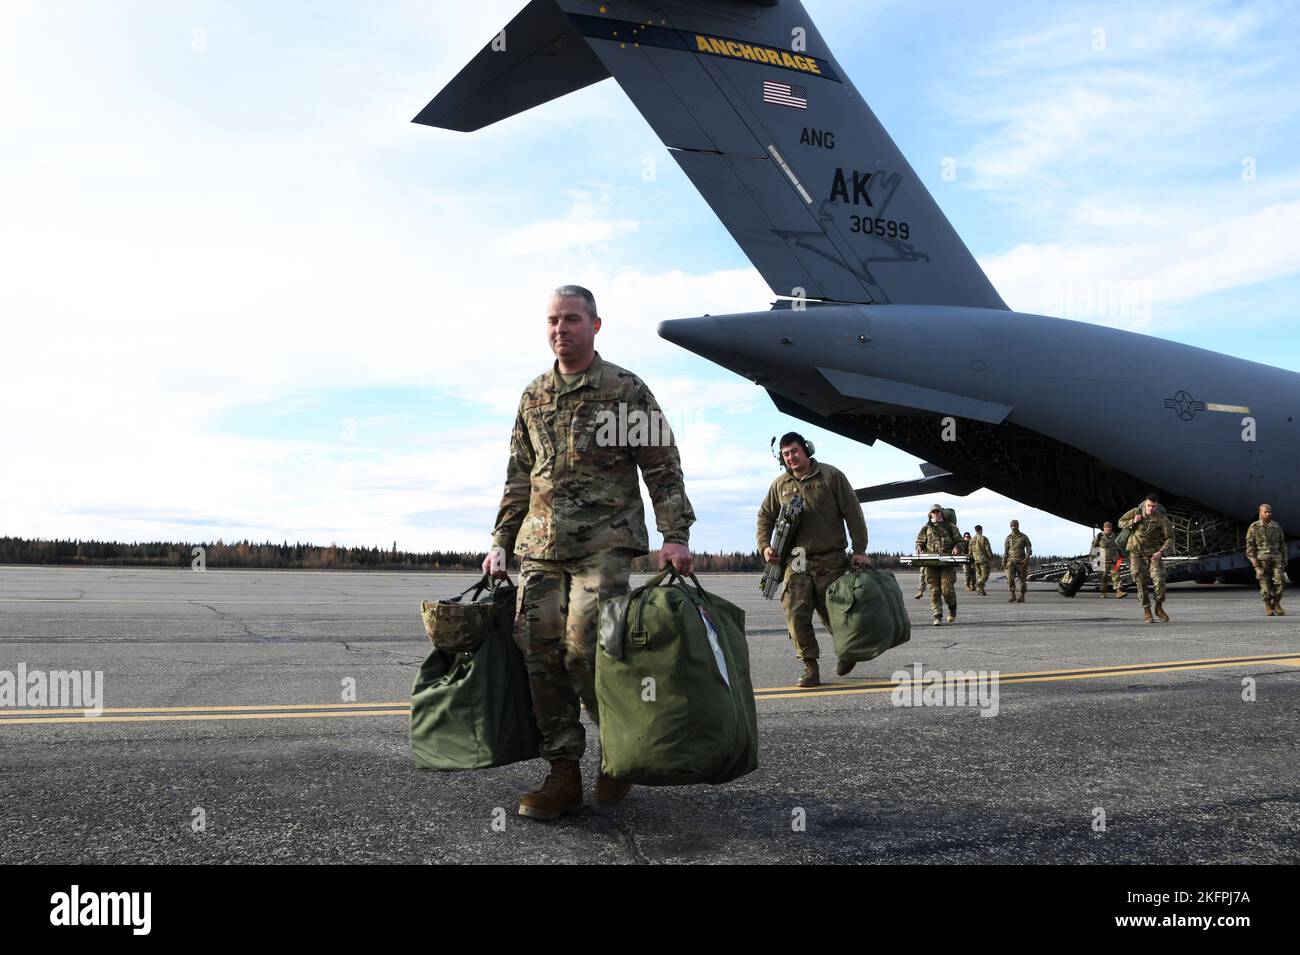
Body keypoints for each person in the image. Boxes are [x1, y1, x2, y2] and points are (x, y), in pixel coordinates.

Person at [484, 285, 695, 821]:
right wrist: (500, 542)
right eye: (553, 320)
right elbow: (517, 476)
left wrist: (676, 535)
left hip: (603, 542)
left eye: (572, 319)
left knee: (585, 651)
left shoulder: (625, 390)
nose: (561, 329)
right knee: (539, 654)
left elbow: (662, 467)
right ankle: (562, 775)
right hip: (540, 547)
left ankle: (620, 750)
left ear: (595, 325)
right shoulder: (534, 395)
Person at [757, 433, 870, 686]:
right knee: (796, 616)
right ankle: (810, 667)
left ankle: (846, 651)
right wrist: (765, 546)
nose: (791, 457)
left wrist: (859, 549)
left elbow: (853, 513)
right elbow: (764, 517)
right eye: (786, 454)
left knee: (835, 615)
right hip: (795, 561)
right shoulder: (779, 485)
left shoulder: (831, 476)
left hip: (830, 558)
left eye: (795, 451)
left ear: (806, 450)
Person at [1118, 493, 1174, 623]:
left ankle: (1159, 607)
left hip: (1153, 554)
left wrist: (1161, 552)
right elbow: (1120, 522)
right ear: (1145, 503)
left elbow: (1170, 537)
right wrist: (1133, 521)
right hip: (1136, 553)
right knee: (1140, 581)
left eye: (1153, 506)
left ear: (1157, 505)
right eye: (1148, 505)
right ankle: (1147, 610)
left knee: (1159, 581)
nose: (1150, 508)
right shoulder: (1136, 512)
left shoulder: (1162, 519)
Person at [914, 504, 963, 626]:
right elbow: (919, 541)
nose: (935, 514)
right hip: (931, 563)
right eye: (933, 512)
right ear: (930, 514)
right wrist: (919, 547)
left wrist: (957, 547)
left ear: (941, 513)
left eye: (937, 512)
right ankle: (937, 616)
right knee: (934, 590)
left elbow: (960, 541)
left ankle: (952, 607)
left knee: (947, 589)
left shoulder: (950, 526)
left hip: (947, 562)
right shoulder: (926, 528)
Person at [1246, 503, 1286, 617]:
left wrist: (1284, 558)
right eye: (1266, 512)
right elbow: (1250, 546)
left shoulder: (1276, 526)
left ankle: (1277, 603)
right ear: (1260, 513)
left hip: (1276, 558)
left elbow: (1282, 544)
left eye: (1270, 512)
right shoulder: (1254, 527)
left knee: (1281, 581)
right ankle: (1268, 604)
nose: (1268, 514)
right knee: (1265, 583)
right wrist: (1254, 561)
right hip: (1262, 559)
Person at [1092, 521, 1126, 598]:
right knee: (1103, 577)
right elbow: (1094, 548)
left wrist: (1121, 558)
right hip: (1102, 560)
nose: (1108, 529)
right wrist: (1094, 560)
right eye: (1106, 527)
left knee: (1116, 575)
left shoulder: (1116, 536)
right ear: (1104, 528)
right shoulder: (1100, 536)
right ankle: (1103, 592)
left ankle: (1119, 592)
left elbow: (1120, 548)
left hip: (1115, 561)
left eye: (1109, 527)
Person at [1003, 519, 1032, 603]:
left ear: (1018, 525)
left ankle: (1022, 596)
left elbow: (1029, 548)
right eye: (1012, 525)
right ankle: (1013, 595)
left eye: (1015, 525)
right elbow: (1005, 550)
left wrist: (1027, 558)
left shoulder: (1024, 537)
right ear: (1010, 526)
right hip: (1010, 562)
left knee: (1022, 580)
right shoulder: (1008, 538)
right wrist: (1004, 560)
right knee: (1009, 578)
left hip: (1021, 562)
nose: (1013, 527)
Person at [970, 524, 993, 596]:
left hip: (975, 560)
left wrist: (971, 560)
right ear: (981, 530)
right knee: (985, 575)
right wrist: (991, 557)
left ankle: (980, 590)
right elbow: (988, 549)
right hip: (983, 559)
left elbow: (969, 551)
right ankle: (979, 584)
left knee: (978, 575)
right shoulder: (984, 538)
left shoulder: (971, 540)